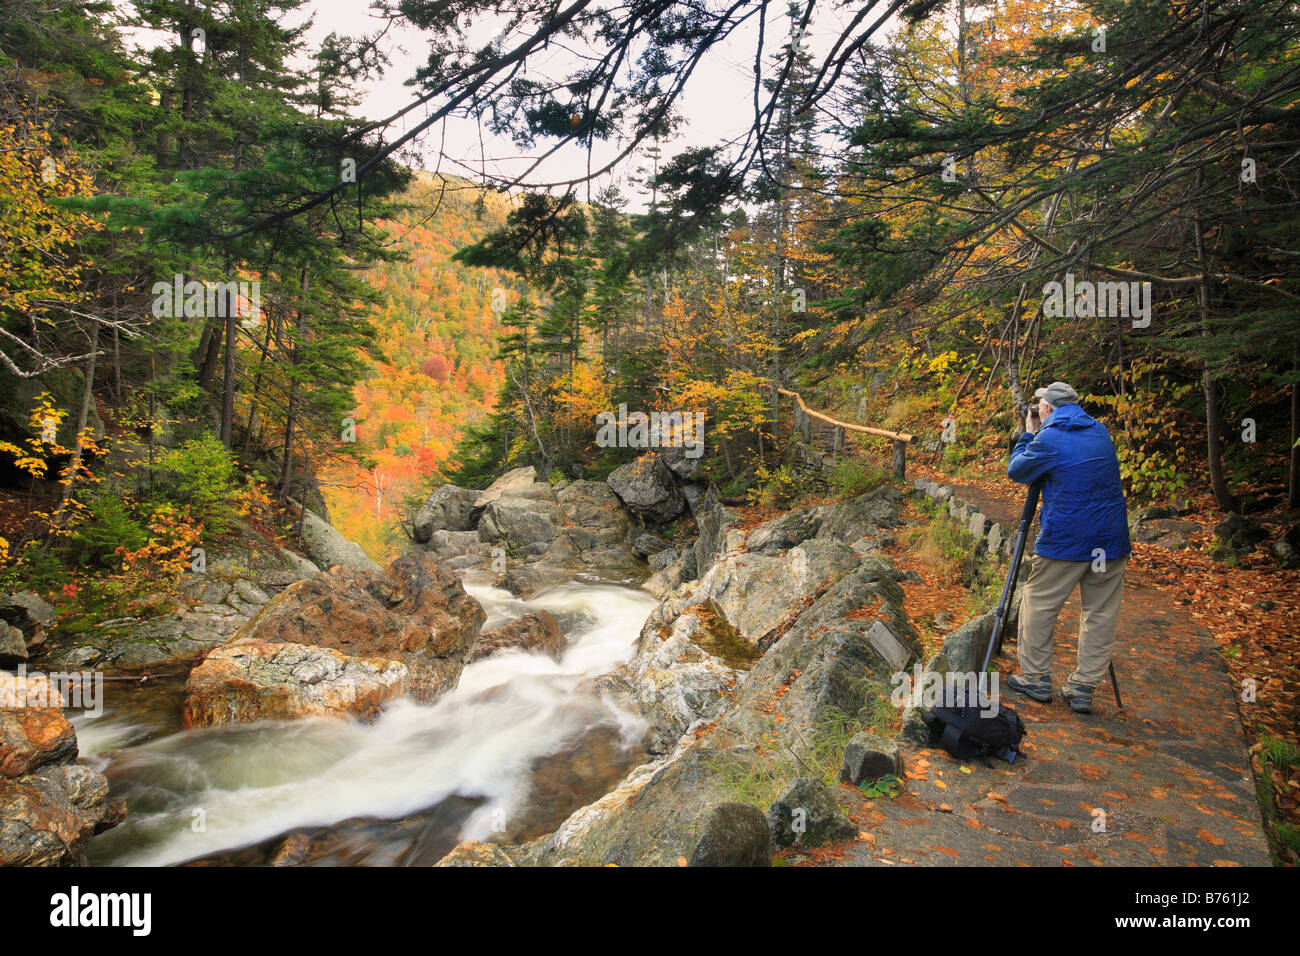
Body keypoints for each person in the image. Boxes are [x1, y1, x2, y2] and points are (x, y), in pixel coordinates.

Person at [1004, 381, 1131, 714]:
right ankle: (1083, 688)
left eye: (1040, 407)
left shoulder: (1050, 436)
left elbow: (1017, 470)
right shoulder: (1100, 431)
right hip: (1110, 541)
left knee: (1039, 602)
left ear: (1047, 409)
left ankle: (1034, 677)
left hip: (1067, 540)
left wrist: (1029, 433)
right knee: (1100, 613)